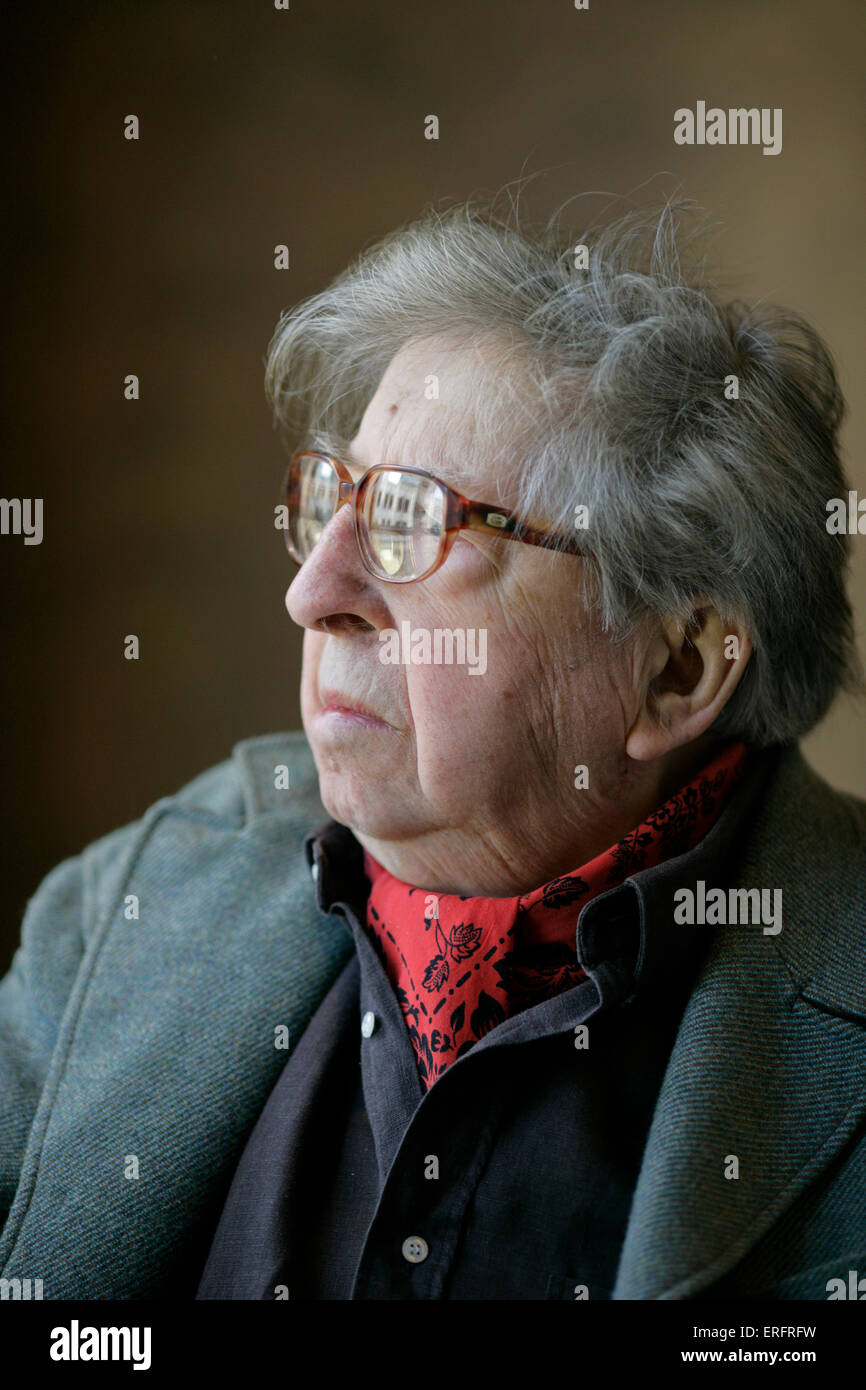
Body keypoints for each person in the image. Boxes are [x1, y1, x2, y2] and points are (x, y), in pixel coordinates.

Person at [1, 196, 864, 1302]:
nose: (313, 594)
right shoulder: (124, 902)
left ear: (676, 669)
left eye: (416, 521)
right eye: (335, 499)